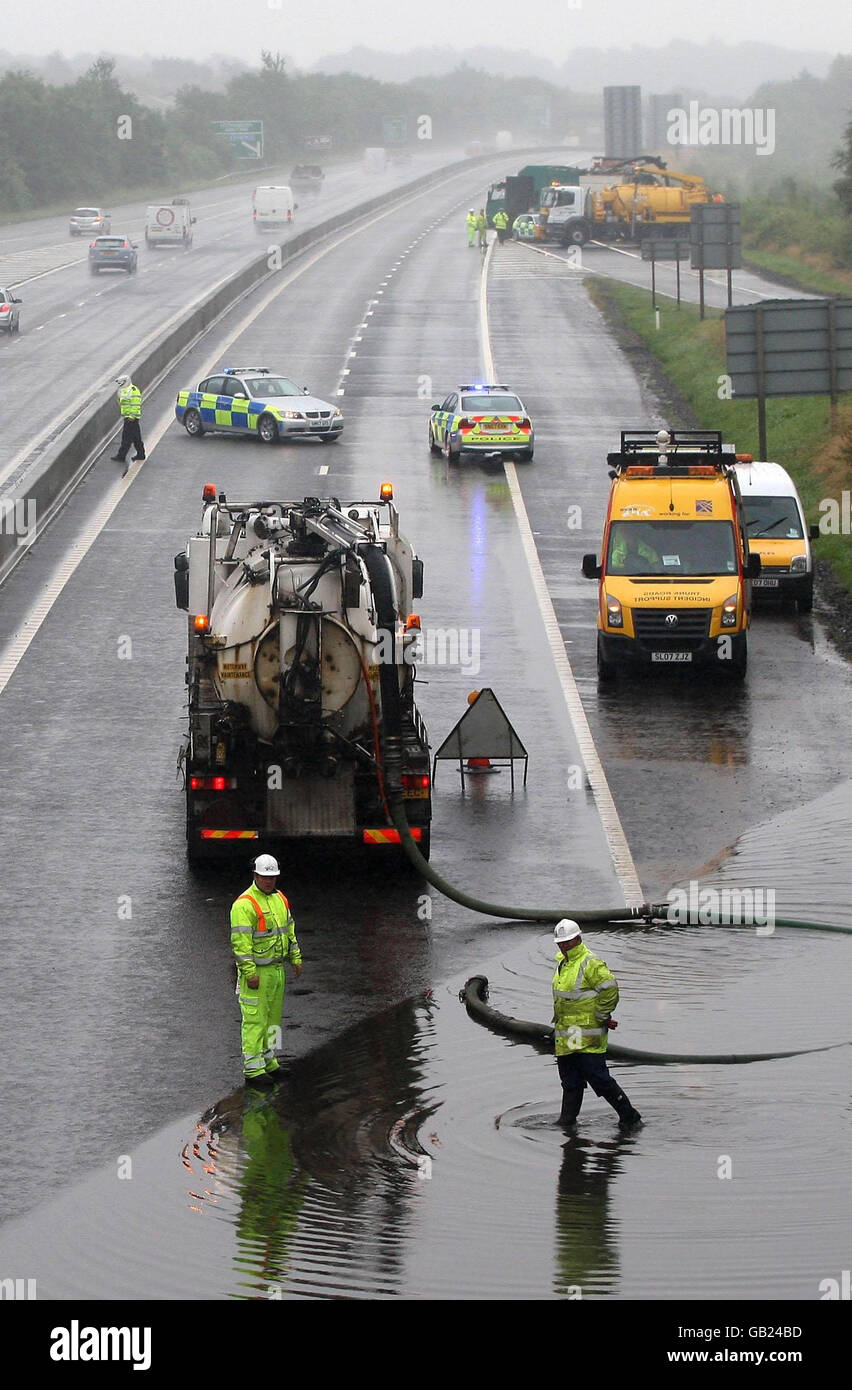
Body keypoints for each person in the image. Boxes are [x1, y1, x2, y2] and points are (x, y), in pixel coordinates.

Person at [551, 919, 641, 1128]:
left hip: (587, 1032)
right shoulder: (563, 963)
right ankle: (567, 1121)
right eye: (561, 943)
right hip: (568, 1033)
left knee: (597, 1076)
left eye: (567, 942)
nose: (563, 946)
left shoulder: (590, 962)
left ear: (578, 939)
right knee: (571, 1079)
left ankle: (630, 1116)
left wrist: (601, 1016)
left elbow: (610, 989)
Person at [230, 853, 302, 1089]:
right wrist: (249, 972)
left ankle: (269, 1061)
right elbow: (241, 944)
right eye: (265, 877)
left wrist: (295, 957)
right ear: (255, 876)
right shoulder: (244, 905)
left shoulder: (280, 899)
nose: (269, 881)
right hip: (258, 973)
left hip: (276, 970)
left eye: (272, 877)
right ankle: (253, 1069)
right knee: (254, 1020)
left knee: (272, 1019)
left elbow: (288, 929)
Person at [110, 373, 146, 471]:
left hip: (131, 418)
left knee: (126, 438)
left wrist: (132, 416)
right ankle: (141, 454)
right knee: (136, 437)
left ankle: (121, 456)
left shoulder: (133, 390)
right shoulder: (124, 390)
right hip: (128, 417)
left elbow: (135, 404)